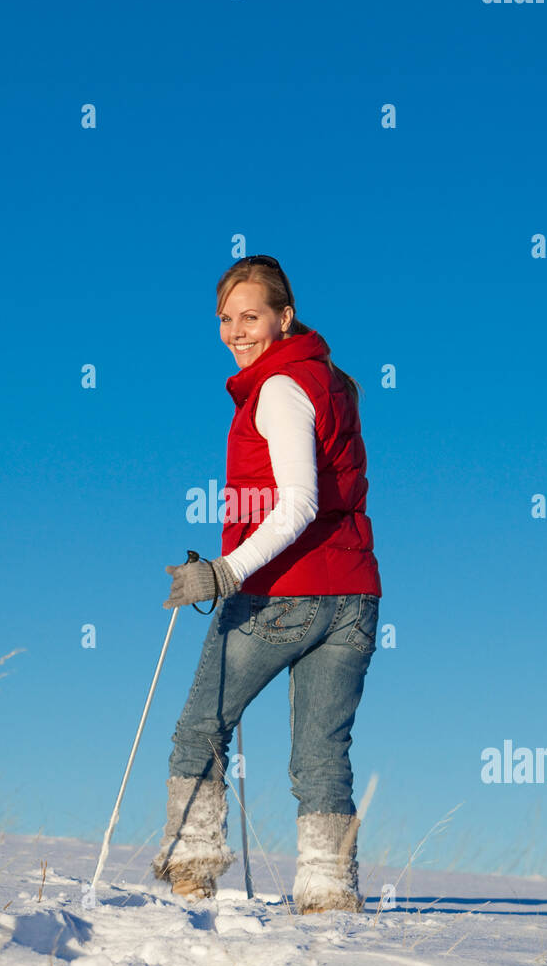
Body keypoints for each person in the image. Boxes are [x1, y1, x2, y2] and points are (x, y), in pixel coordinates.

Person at [152, 255, 381, 912]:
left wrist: (223, 572)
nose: (234, 331)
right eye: (225, 318)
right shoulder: (331, 381)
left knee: (200, 730)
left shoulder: (279, 387)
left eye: (250, 316)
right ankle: (328, 892)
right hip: (354, 596)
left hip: (281, 595)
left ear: (283, 317)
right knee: (321, 758)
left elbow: (298, 503)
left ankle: (192, 870)